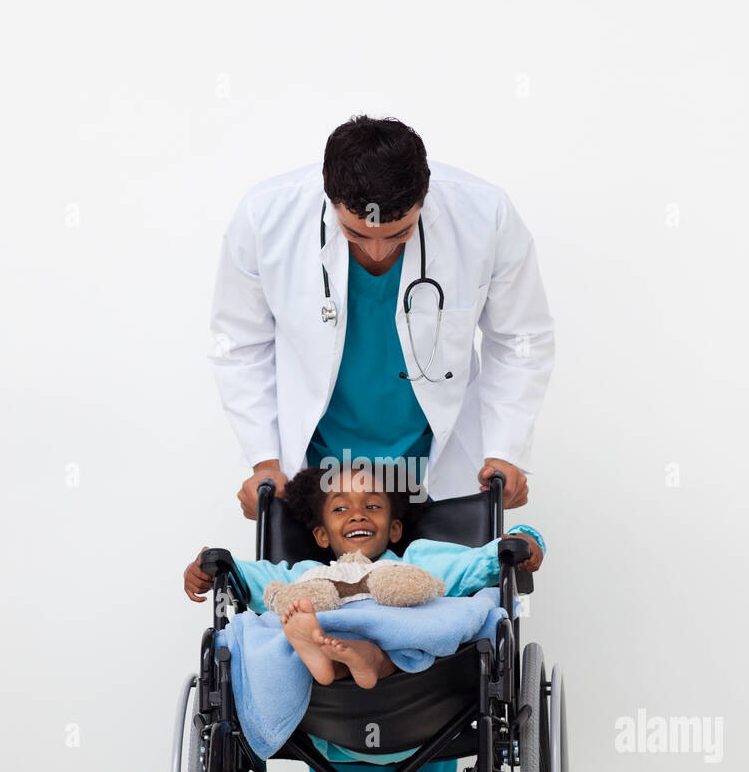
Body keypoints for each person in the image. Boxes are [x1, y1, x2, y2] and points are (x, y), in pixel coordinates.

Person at [184, 467, 546, 772]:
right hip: (336, 716)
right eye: (341, 508)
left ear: (395, 527)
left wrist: (524, 538)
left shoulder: (419, 560)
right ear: (321, 534)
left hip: (425, 702)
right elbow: (254, 579)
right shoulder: (308, 574)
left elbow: (479, 563)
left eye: (372, 505)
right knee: (288, 617)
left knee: (448, 613)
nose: (357, 514)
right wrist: (214, 565)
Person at [209, 114, 555, 518]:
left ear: (424, 198)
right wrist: (265, 460)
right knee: (321, 558)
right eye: (356, 234)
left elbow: (520, 338)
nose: (377, 252)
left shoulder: (485, 213)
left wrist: (504, 450)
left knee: (450, 560)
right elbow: (240, 345)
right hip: (318, 467)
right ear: (329, 197)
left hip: (442, 463)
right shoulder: (264, 216)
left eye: (398, 234)